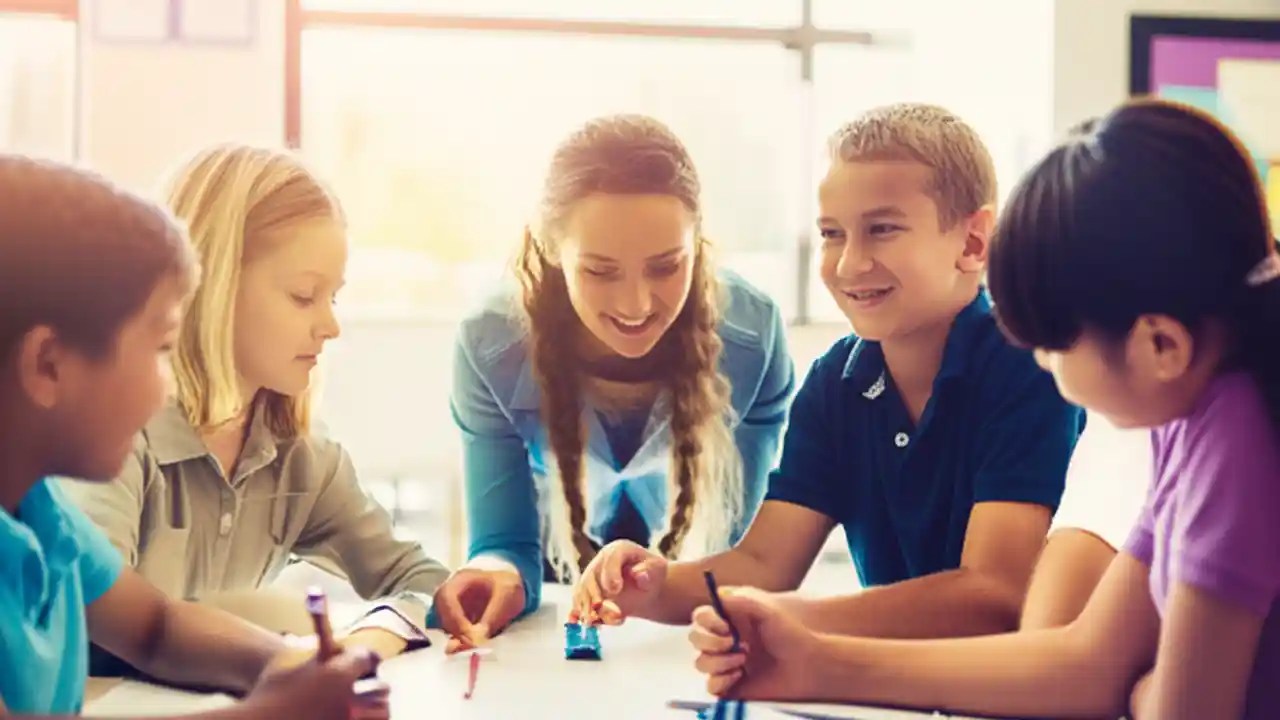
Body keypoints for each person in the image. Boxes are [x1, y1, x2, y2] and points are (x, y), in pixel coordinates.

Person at [688, 98, 1280, 720]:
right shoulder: (1191, 419)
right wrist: (813, 660)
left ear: (1160, 345)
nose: (1044, 363)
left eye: (1052, 344)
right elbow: (1088, 662)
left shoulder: (1236, 446)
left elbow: (1180, 710)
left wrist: (1136, 696)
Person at [577, 103, 1082, 638]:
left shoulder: (1029, 364)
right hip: (895, 685)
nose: (848, 264)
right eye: (832, 234)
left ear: (973, 242)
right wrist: (655, 585)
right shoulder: (834, 382)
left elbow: (995, 596)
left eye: (882, 229)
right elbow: (764, 565)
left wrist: (804, 620)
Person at [0, 153, 378, 718]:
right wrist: (268, 713)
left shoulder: (42, 514)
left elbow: (155, 626)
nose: (165, 391)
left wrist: (286, 665)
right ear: (49, 365)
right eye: (160, 350)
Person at [62, 144, 449, 664]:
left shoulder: (303, 456)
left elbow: (425, 584)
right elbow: (103, 617)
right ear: (212, 285)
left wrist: (374, 634)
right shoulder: (114, 436)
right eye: (303, 296)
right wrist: (281, 654)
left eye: (333, 297)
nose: (331, 326)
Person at [437, 114, 795, 649]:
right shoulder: (492, 344)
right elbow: (503, 541)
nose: (636, 306)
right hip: (554, 599)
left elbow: (738, 550)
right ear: (554, 250)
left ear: (698, 243)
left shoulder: (751, 336)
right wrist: (495, 574)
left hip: (686, 608)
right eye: (601, 271)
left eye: (667, 266)